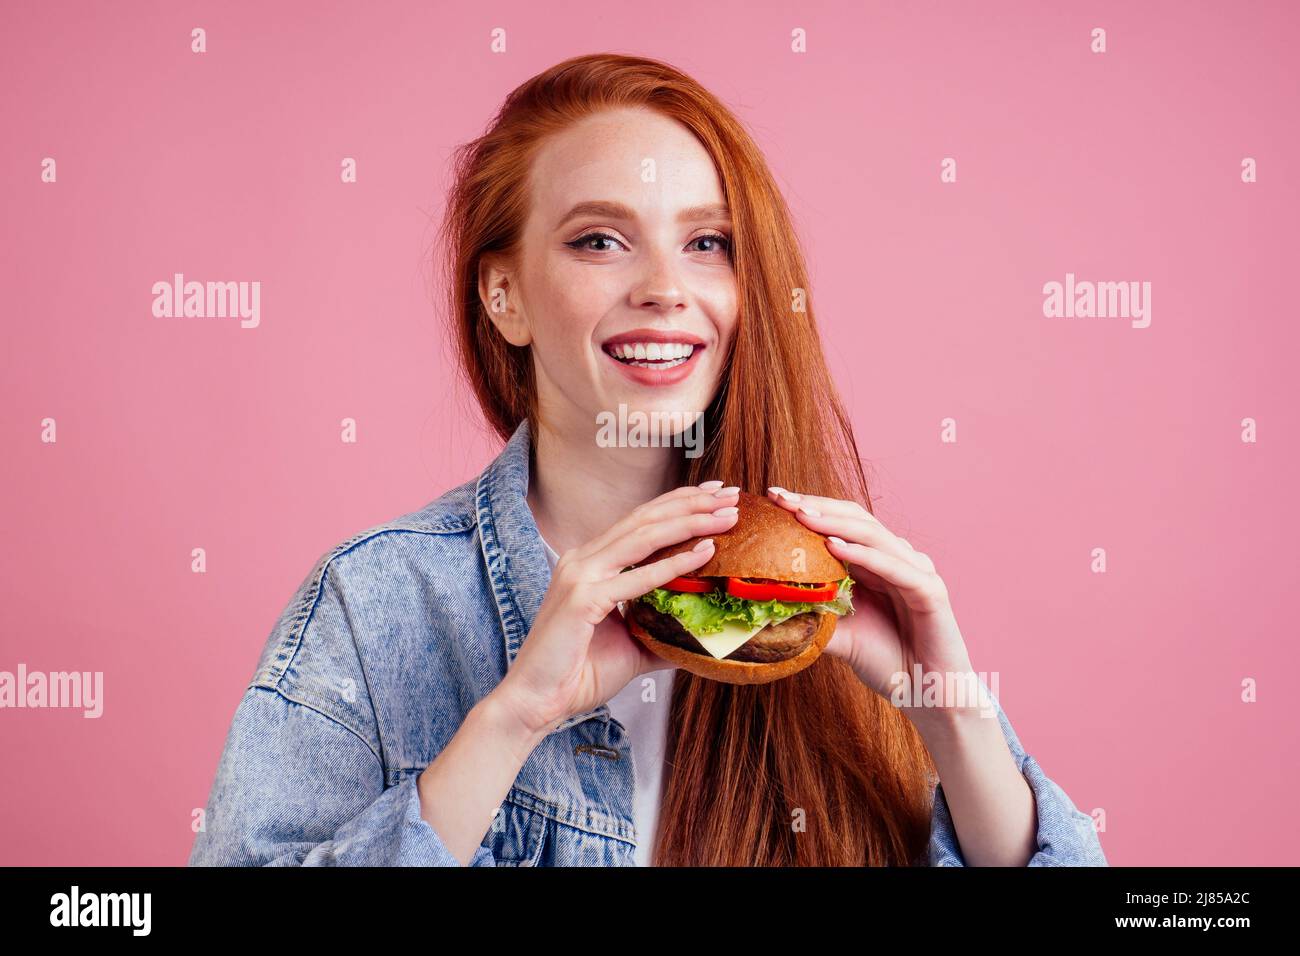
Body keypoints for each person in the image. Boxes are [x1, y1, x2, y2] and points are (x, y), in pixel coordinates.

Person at [188, 53, 1107, 867]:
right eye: (600, 240)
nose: (666, 289)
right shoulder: (376, 604)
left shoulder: (833, 601)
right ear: (503, 295)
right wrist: (509, 724)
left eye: (706, 244)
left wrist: (944, 711)